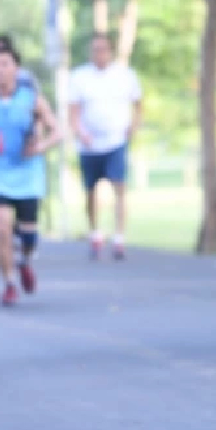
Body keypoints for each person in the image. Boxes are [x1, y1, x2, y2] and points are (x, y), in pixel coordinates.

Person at [0, 42, 61, 306]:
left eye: (5, 64)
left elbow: (57, 132)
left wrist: (40, 148)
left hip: (27, 174)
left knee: (28, 238)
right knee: (2, 229)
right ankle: (9, 283)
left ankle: (24, 260)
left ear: (16, 68)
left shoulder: (31, 99)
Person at [66, 31, 143, 260]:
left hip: (115, 140)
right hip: (89, 144)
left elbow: (138, 105)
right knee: (91, 191)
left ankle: (119, 237)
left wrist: (133, 127)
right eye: (95, 49)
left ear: (110, 51)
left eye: (103, 49)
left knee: (119, 186)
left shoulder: (124, 75)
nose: (99, 54)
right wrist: (81, 132)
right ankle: (95, 232)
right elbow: (73, 112)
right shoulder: (80, 77)